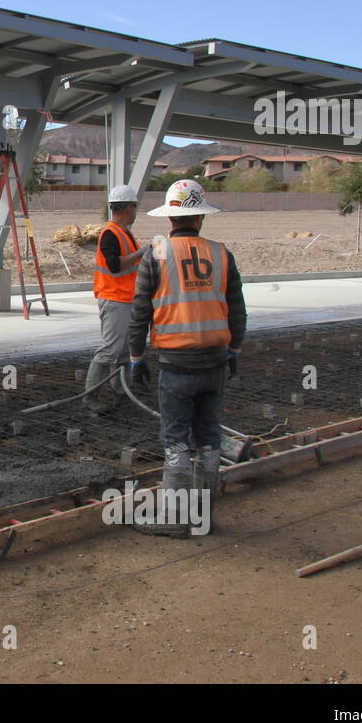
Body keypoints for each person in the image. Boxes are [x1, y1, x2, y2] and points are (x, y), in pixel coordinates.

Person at [127, 180, 246, 536]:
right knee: (209, 440)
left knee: (176, 440)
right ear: (200, 217)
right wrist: (234, 351)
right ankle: (203, 517)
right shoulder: (221, 254)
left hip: (176, 364)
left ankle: (176, 520)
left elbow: (140, 312)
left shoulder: (156, 254)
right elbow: (237, 310)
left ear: (170, 217)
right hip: (215, 362)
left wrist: (136, 357)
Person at [83, 185, 151, 413]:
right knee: (110, 350)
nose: (136, 211)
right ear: (126, 208)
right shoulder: (110, 233)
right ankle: (90, 397)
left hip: (125, 298)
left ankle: (121, 394)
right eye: (134, 206)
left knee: (122, 351)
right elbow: (114, 266)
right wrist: (142, 253)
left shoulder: (124, 233)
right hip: (114, 299)